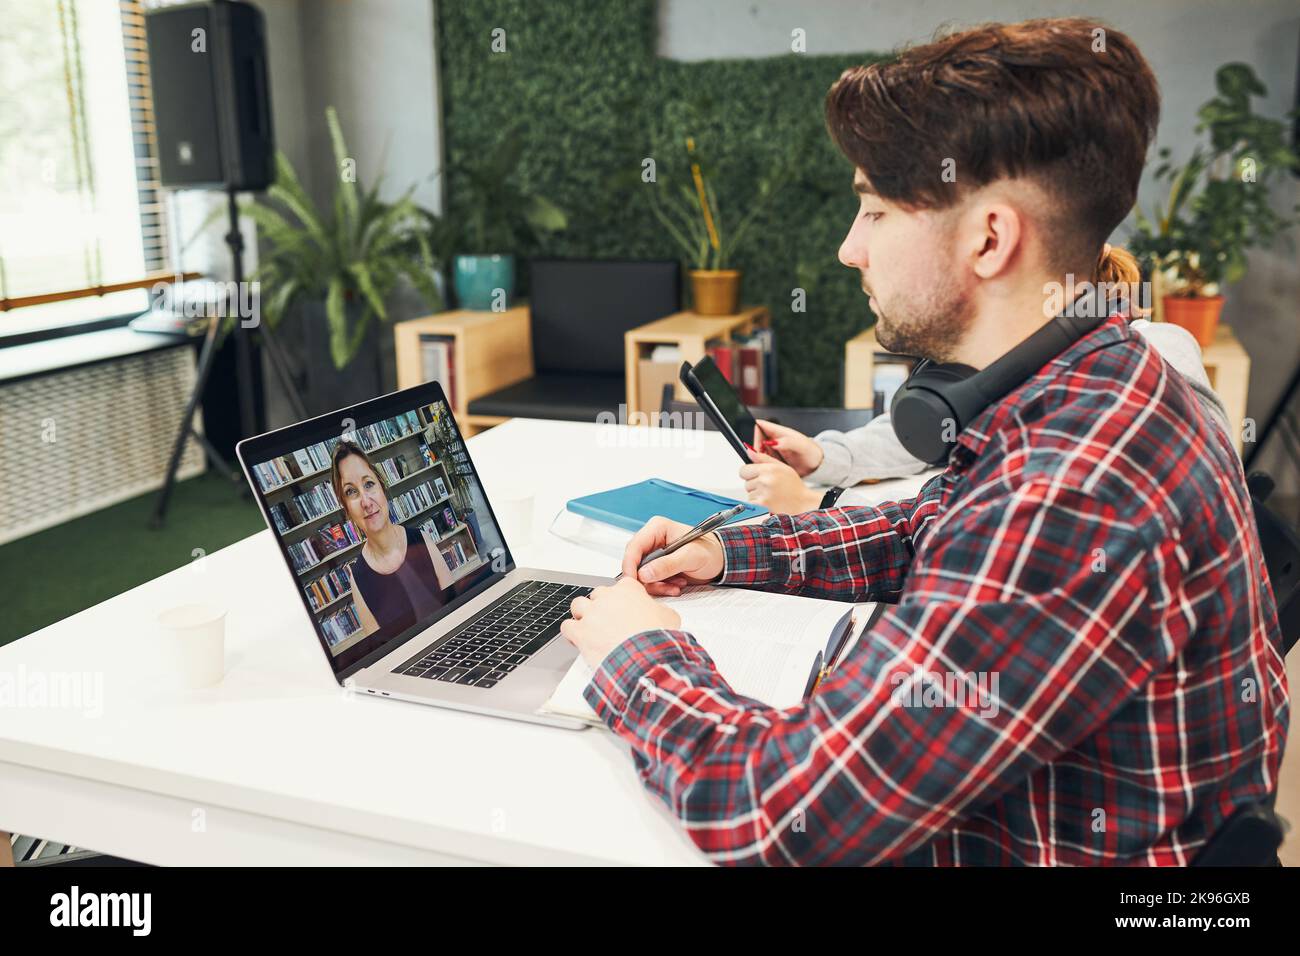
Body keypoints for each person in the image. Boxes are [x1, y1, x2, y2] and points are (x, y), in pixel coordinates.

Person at [560, 17, 1289, 865]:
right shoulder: (1095, 371)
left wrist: (637, 656)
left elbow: (781, 810)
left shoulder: (1074, 485)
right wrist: (730, 552)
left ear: (988, 237)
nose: (848, 249)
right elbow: (927, 527)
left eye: (873, 211)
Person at [742, 246, 1235, 514]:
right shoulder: (1025, 367)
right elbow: (926, 435)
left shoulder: (1157, 346)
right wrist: (827, 457)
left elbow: (988, 528)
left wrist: (816, 506)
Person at [331, 441, 454, 639]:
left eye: (369, 484)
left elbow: (457, 610)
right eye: (351, 492)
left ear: (382, 486)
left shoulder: (421, 539)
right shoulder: (359, 579)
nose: (366, 502)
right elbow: (384, 654)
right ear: (346, 509)